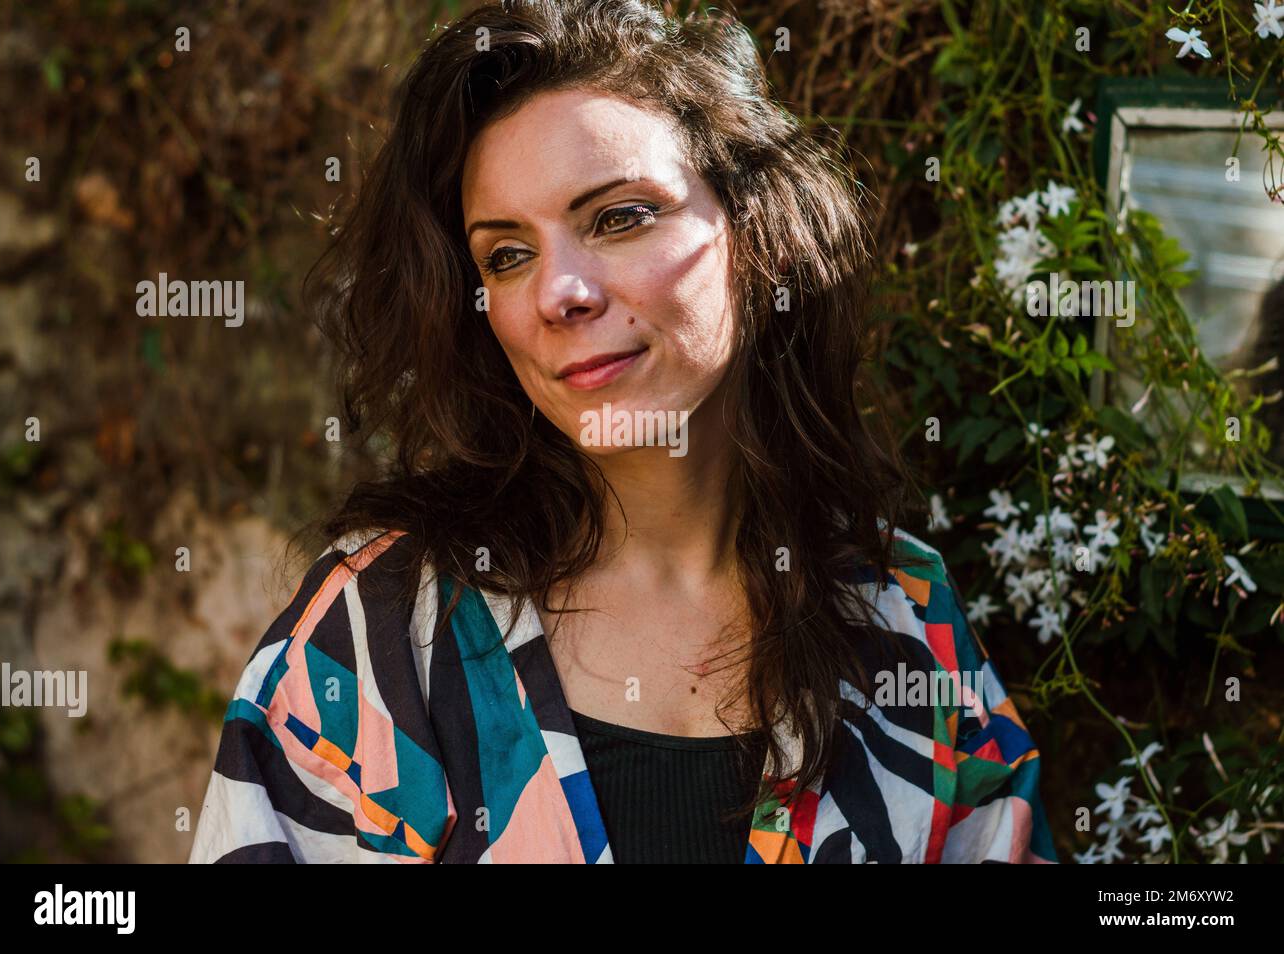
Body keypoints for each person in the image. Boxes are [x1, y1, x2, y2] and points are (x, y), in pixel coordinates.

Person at [188, 0, 1057, 864]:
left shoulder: (903, 619)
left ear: (758, 236)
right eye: (507, 254)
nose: (558, 292)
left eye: (618, 217)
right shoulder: (376, 639)